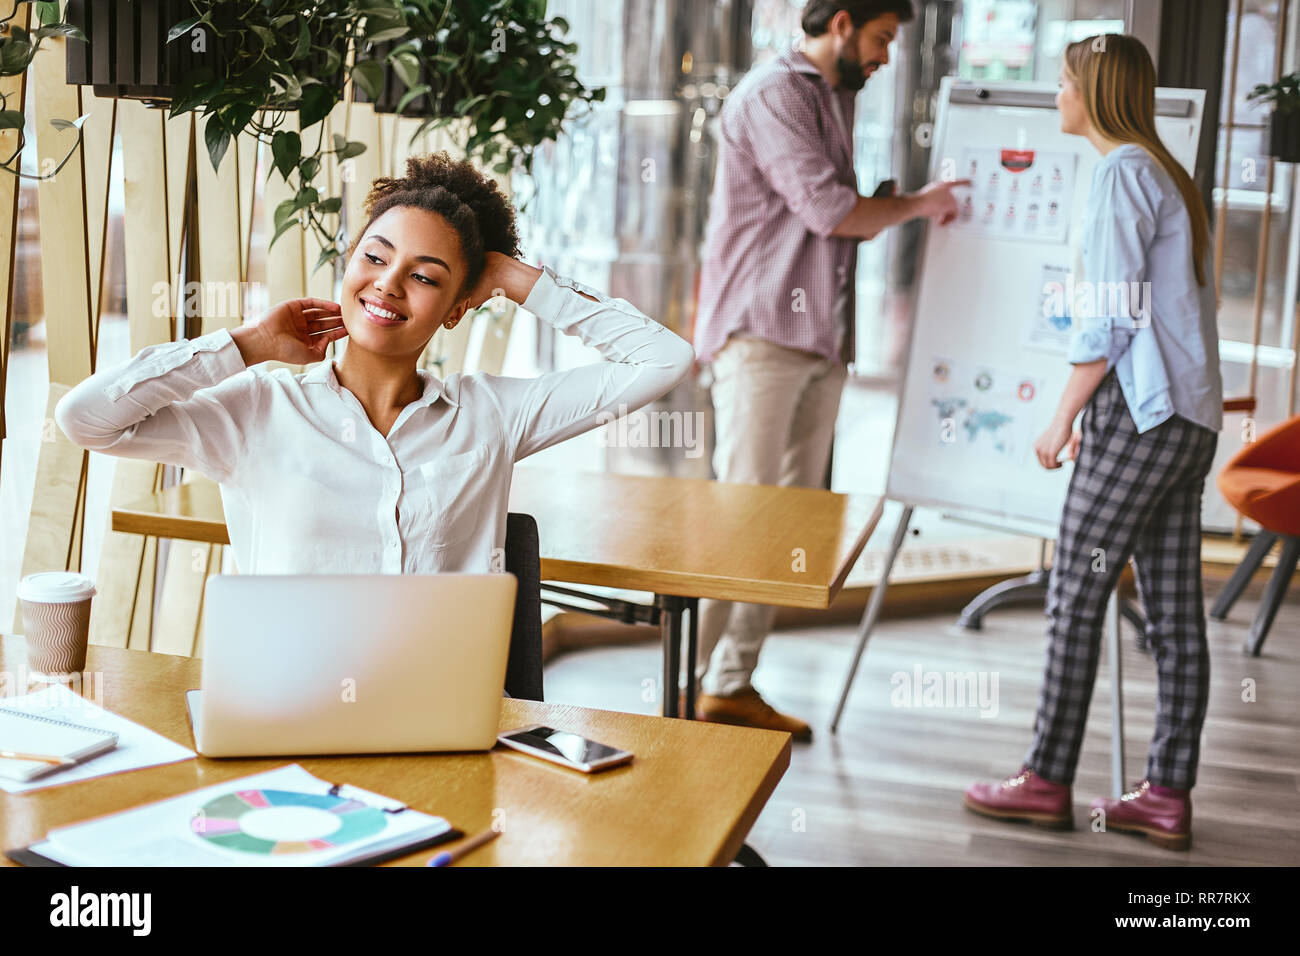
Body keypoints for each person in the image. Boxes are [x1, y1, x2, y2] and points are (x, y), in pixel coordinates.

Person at [56, 152, 696, 577]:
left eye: (423, 276)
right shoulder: (258, 412)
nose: (387, 284)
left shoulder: (493, 416)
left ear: (455, 309)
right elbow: (86, 420)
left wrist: (511, 275)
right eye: (374, 256)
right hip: (290, 715)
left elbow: (663, 359)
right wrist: (246, 345)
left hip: (446, 728)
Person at [963, 34, 1222, 851]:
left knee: (1075, 595)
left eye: (1066, 80)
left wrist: (1061, 414)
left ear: (1094, 90)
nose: (1057, 93)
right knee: (1176, 617)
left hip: (1137, 418)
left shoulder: (1119, 174)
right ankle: (1166, 794)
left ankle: (1043, 780)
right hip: (1188, 420)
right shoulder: (1162, 170)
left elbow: (1110, 317)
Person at [691, 0, 967, 738]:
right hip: (761, 335)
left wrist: (879, 207)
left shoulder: (833, 94)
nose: (883, 58)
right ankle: (683, 689)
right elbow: (825, 210)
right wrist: (915, 205)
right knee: (743, 515)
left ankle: (728, 685)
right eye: (879, 39)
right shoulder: (776, 92)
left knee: (784, 522)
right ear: (841, 23)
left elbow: (830, 218)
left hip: (816, 336)